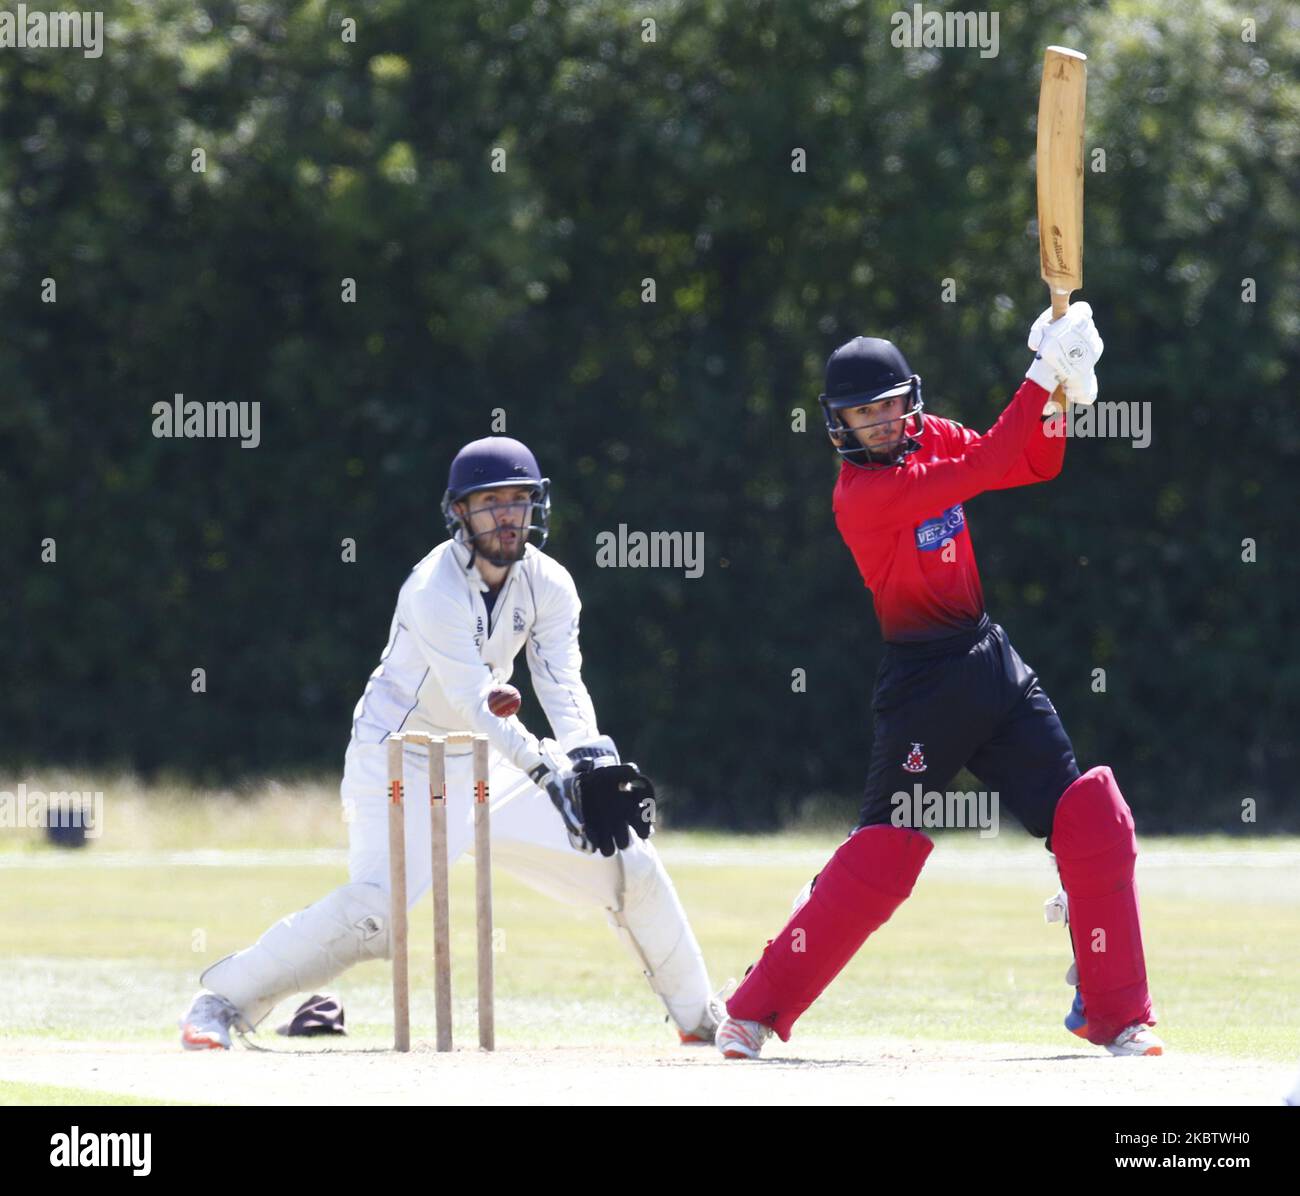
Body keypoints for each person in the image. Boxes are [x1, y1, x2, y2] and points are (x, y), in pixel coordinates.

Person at [715, 304, 1163, 1059]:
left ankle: (1117, 1015)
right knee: (883, 859)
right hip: (923, 684)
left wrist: (1058, 397)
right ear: (840, 424)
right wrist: (1041, 373)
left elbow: (1029, 463)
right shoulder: (861, 498)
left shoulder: (935, 436)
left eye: (889, 406)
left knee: (1092, 821)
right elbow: (986, 465)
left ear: (909, 400)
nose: (882, 422)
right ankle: (753, 1012)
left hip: (990, 661)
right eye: (864, 414)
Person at [180, 436, 721, 1049]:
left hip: (489, 759)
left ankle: (700, 1017)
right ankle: (219, 1002)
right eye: (490, 502)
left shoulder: (551, 585)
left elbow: (561, 682)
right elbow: (475, 699)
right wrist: (552, 772)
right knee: (377, 916)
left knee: (630, 864)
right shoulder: (432, 588)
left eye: (518, 501)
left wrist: (592, 758)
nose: (507, 516)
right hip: (399, 758)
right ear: (459, 512)